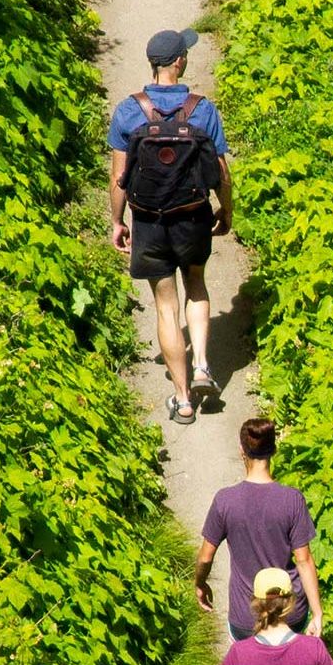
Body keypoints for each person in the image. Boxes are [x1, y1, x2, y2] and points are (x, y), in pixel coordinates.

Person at [108, 28, 231, 425]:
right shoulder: (202, 110)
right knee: (196, 285)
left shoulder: (130, 111)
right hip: (193, 216)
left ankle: (182, 400)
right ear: (179, 62)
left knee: (165, 305)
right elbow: (223, 173)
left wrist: (117, 220)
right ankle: (202, 367)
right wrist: (225, 210)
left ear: (154, 64)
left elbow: (118, 176)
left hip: (149, 220)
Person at [198, 418, 323, 640]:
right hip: (288, 613)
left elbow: (206, 558)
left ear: (241, 451)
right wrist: (317, 613)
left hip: (247, 617)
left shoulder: (225, 500)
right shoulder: (292, 499)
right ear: (274, 450)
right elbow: (304, 560)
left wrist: (200, 583)